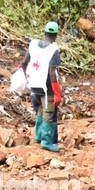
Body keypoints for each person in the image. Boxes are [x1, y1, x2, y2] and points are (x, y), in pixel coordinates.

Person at [21, 21, 63, 153]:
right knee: (48, 114)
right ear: (56, 35)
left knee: (39, 111)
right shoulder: (54, 50)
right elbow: (52, 73)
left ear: (44, 33)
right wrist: (57, 91)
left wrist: (27, 77)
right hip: (46, 88)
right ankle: (46, 141)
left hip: (33, 85)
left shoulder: (33, 44)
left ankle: (38, 136)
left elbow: (24, 63)